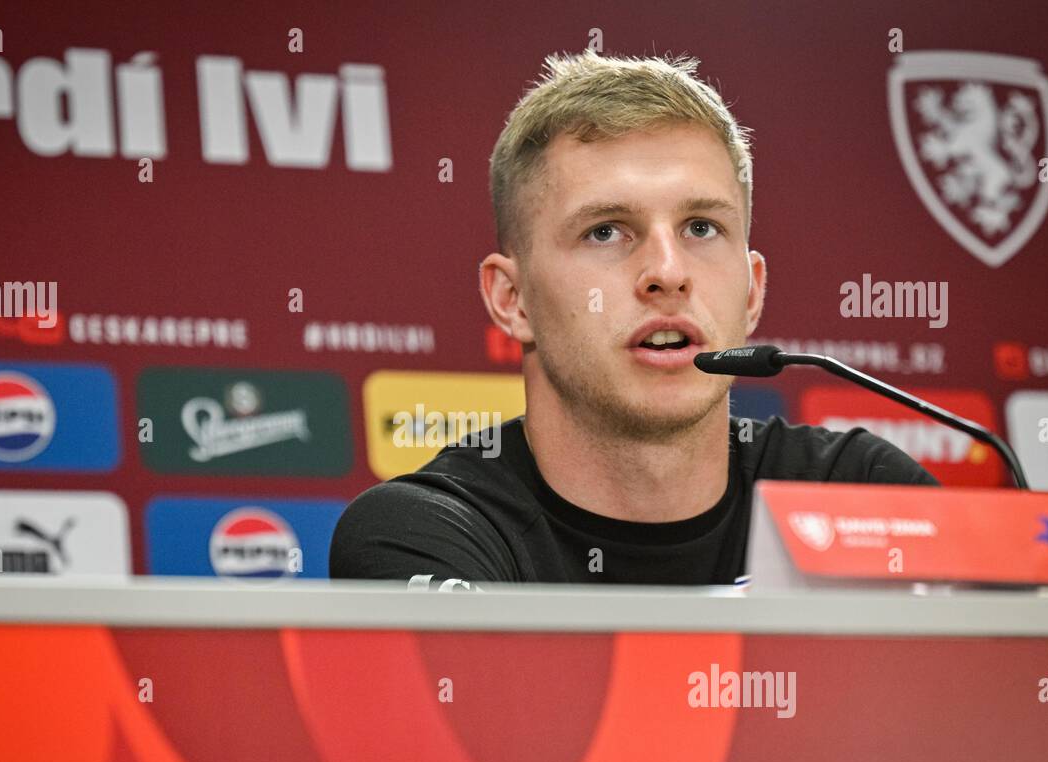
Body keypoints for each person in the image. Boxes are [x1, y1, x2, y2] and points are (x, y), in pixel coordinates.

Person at [330, 50, 938, 587]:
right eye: (605, 231)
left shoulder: (860, 492)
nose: (668, 272)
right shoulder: (429, 533)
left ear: (752, 292)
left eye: (702, 227)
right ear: (512, 300)